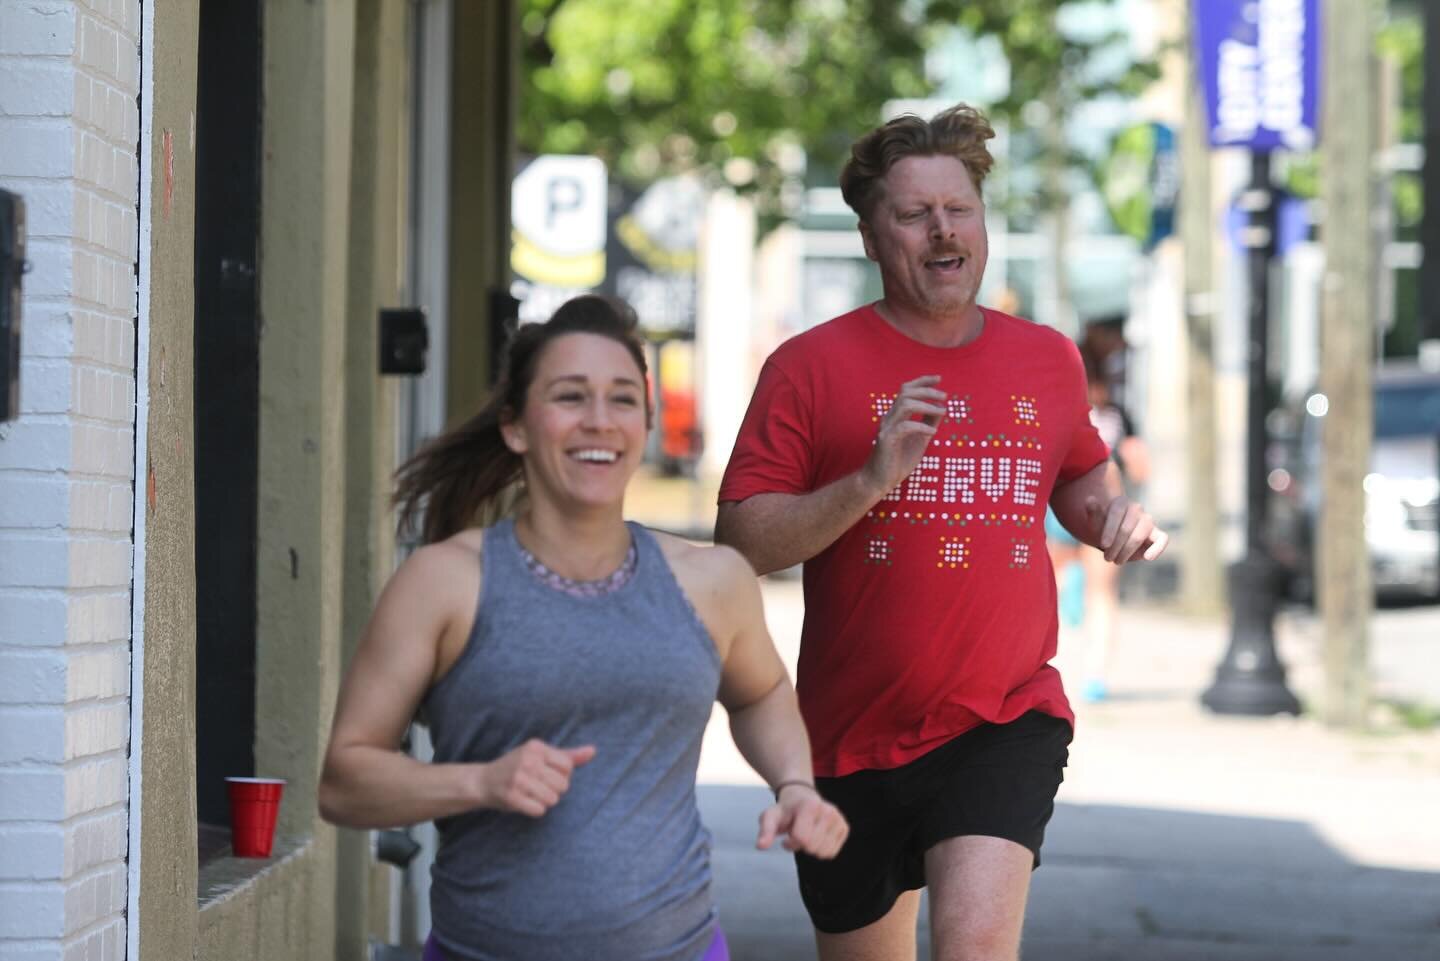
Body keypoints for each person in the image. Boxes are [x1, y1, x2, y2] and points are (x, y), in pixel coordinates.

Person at [714, 104, 1168, 961]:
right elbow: (742, 540)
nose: (941, 231)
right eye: (914, 214)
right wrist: (869, 480)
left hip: (1004, 716)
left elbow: (1076, 471)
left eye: (958, 210)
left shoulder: (1047, 358)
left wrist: (1108, 516)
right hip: (850, 737)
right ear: (870, 236)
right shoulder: (809, 369)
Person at [318, 294, 848, 961]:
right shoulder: (443, 583)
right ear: (515, 426)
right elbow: (343, 780)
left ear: (647, 421)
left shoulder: (713, 581)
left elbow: (761, 692)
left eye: (623, 399)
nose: (600, 420)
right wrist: (478, 782)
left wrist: (794, 784)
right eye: (570, 396)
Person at [1046, 344, 1152, 703]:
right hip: (1088, 510)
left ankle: (1090, 673)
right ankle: (1089, 673)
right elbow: (1141, 467)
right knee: (1089, 594)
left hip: (1090, 512)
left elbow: (1141, 465)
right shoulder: (1114, 415)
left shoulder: (1059, 406)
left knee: (1091, 594)